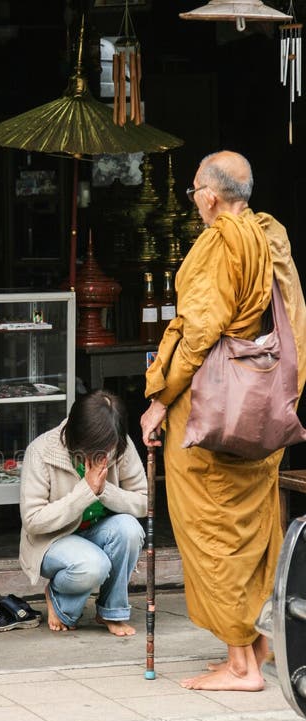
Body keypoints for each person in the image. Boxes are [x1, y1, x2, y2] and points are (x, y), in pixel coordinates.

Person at [140, 150, 306, 692]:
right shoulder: (269, 235)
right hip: (259, 409)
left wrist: (160, 397)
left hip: (212, 413)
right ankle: (261, 644)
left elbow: (198, 333)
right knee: (255, 528)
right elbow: (294, 319)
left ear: (210, 196)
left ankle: (239, 664)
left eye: (193, 192)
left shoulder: (219, 242)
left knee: (212, 530)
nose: (192, 202)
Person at [19, 390, 147, 633]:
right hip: (53, 541)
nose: (104, 454)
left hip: (98, 532)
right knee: (92, 565)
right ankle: (58, 597)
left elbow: (143, 502)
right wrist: (85, 491)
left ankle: (112, 611)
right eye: (97, 447)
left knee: (129, 529)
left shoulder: (120, 445)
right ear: (78, 436)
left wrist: (103, 490)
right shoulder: (41, 451)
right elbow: (33, 521)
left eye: (108, 447)